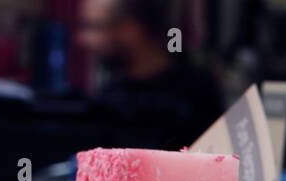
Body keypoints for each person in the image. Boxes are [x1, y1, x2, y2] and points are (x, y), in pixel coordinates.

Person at [77, 0, 224, 150]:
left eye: (94, 27)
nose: (83, 39)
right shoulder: (109, 97)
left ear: (131, 28)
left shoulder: (195, 95)